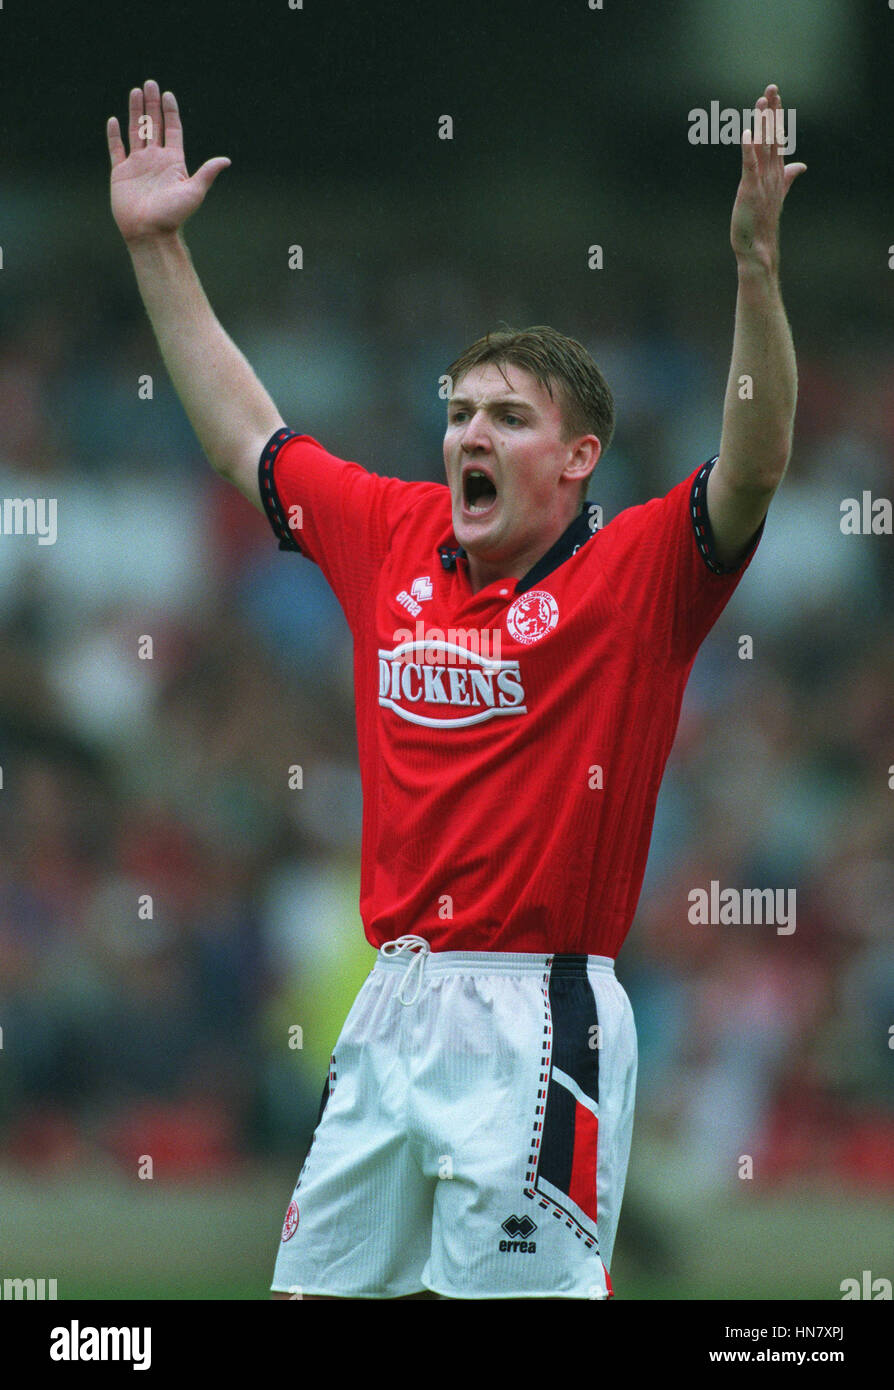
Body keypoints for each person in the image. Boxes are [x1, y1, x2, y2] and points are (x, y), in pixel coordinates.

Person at [107, 79, 805, 1300]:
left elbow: (754, 464)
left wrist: (755, 275)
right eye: (461, 411)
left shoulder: (639, 569)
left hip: (541, 1010)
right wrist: (157, 247)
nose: (470, 434)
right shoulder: (394, 532)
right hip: (394, 1001)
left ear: (578, 459)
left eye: (508, 419)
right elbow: (245, 437)